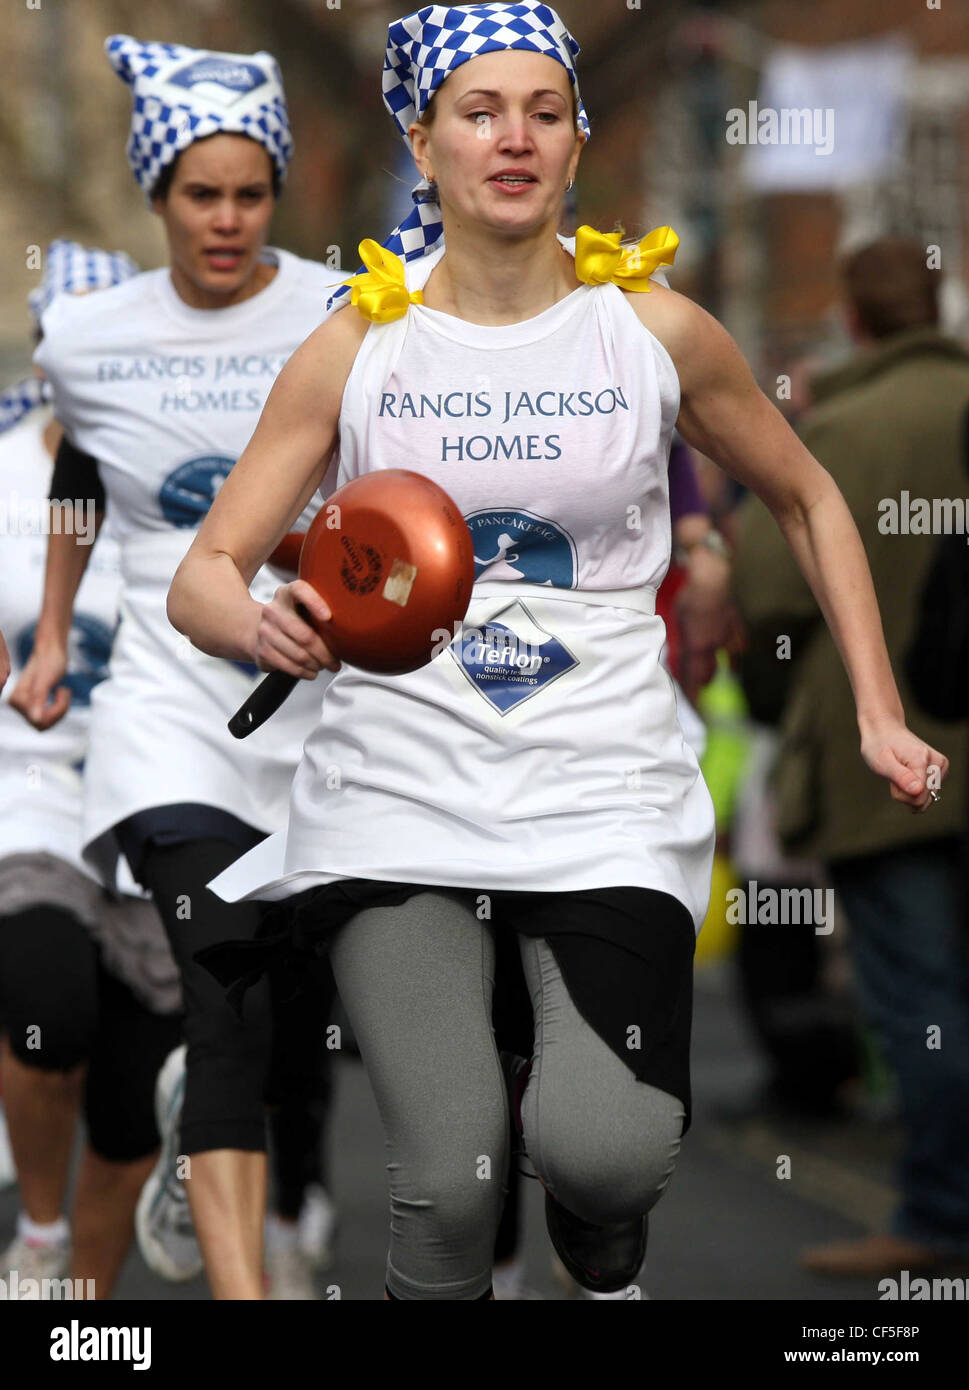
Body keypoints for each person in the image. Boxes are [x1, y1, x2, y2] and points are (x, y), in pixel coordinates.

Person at [169, 2, 948, 1301]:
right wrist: (261, 619)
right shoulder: (355, 343)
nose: (513, 138)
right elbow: (206, 569)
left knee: (604, 1150)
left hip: (603, 791)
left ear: (578, 144)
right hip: (396, 792)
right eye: (480, 113)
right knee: (452, 1177)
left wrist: (877, 709)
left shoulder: (652, 331)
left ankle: (601, 1240)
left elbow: (808, 496)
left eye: (544, 111)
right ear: (422, 143)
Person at [11, 36, 344, 1300]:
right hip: (167, 709)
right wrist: (53, 636)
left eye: (250, 193)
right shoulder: (89, 336)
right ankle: (243, 1291)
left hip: (321, 709)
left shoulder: (341, 307)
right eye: (201, 195)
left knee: (294, 1022)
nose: (226, 219)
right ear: (158, 195)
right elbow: (80, 480)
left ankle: (198, 1155)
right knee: (227, 1000)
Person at [732, 235, 969, 1275]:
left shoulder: (840, 429)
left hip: (892, 760)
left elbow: (769, 590)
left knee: (922, 1000)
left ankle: (935, 1215)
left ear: (858, 322)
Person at [0, 240, 184, 1299]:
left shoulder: (182, 471)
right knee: (47, 1008)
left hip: (156, 795)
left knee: (128, 1104)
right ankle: (36, 1228)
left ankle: (86, 1308)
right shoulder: (9, 468)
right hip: (29, 787)